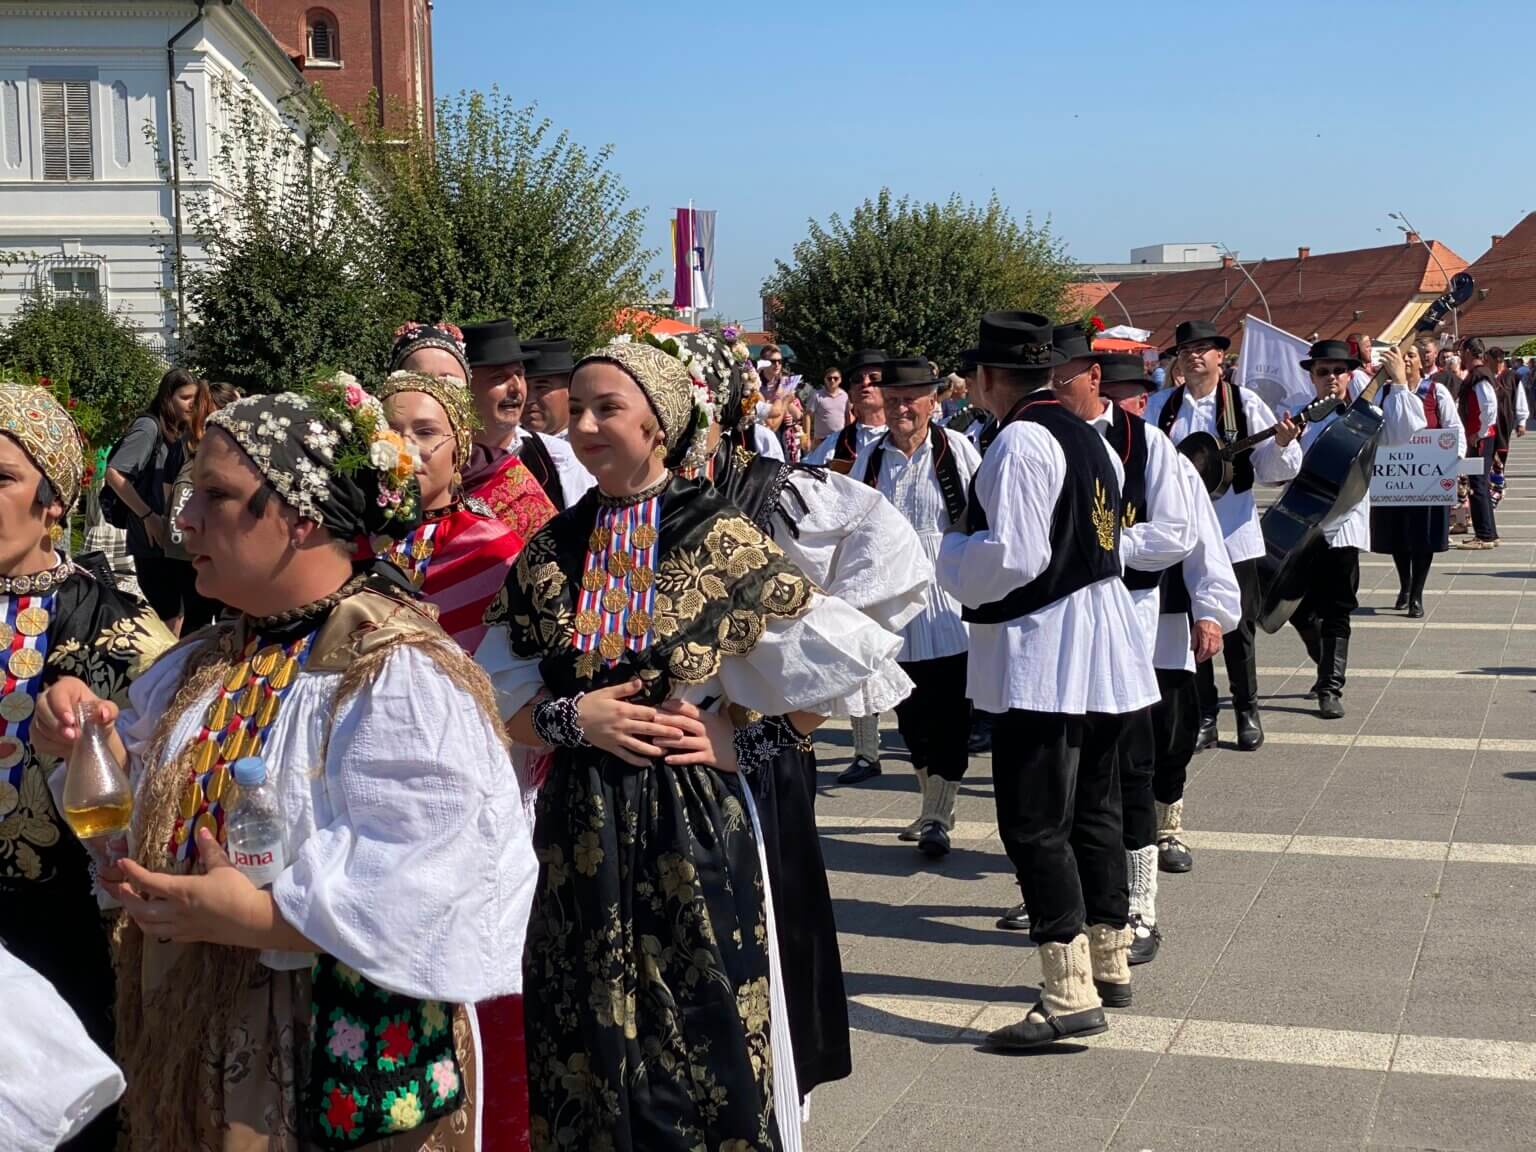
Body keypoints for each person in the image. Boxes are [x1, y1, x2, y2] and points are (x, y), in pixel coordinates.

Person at [33, 378, 538, 1151]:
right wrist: (81, 747)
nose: (185, 519)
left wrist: (261, 918)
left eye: (215, 495)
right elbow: (128, 826)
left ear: (301, 518)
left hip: (322, 1061)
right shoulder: (197, 663)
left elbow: (441, 876)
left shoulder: (393, 674)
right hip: (188, 1036)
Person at [476, 340, 906, 1149]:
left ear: (661, 421)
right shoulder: (551, 549)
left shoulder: (720, 535)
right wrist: (580, 721)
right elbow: (497, 700)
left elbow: (847, 658)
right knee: (584, 1036)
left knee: (697, 1033)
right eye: (580, 407)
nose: (588, 423)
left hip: (690, 820)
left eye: (609, 406)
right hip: (580, 831)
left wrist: (741, 737)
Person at [668, 328, 925, 1107]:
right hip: (662, 764)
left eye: (676, 413)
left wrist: (776, 729)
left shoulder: (780, 493)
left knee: (770, 933)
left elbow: (886, 584)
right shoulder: (615, 513)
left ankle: (779, 1104)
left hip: (757, 759)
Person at [939, 312, 1159, 1048]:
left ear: (990, 378)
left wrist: (951, 556)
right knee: (1093, 806)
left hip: (1047, 646)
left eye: (974, 375)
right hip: (1096, 639)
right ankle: (1110, 957)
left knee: (1035, 820)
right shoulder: (1088, 437)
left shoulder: (1022, 441)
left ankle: (1067, 991)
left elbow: (1018, 555)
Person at [0, 382, 172, 1152]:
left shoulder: (112, 619)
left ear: (52, 501)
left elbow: (179, 754)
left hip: (63, 925)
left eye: (1, 478)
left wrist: (97, 731)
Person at [1144, 319, 1302, 752]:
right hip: (1181, 536)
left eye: (1205, 348)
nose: (1196, 355)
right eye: (1187, 349)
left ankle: (1247, 710)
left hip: (1234, 533)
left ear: (1220, 357)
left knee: (1239, 629)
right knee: (1192, 626)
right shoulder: (1162, 407)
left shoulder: (1245, 402)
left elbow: (1272, 468)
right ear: (1178, 358)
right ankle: (1206, 714)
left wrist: (1284, 444)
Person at [849, 358, 982, 850]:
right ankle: (931, 804)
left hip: (946, 598)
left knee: (949, 710)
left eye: (911, 399)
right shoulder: (871, 459)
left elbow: (982, 518)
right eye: (893, 399)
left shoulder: (957, 451)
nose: (901, 407)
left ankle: (937, 815)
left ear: (932, 401)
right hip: (894, 601)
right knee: (909, 714)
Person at [389, 320, 559, 544]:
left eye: (449, 382)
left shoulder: (510, 483)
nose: (434, 393)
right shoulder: (362, 477)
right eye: (419, 380)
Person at [1286, 340, 1378, 719]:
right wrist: (1282, 445)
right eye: (1323, 372)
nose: (1331, 378)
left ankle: (1330, 687)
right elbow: (1278, 473)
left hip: (1343, 526)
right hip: (1300, 524)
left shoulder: (1366, 415)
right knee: (1291, 604)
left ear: (1350, 375)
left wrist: (1403, 385)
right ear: (1311, 376)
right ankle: (1325, 661)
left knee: (1336, 607)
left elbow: (1406, 431)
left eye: (1338, 371)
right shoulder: (1298, 417)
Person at [1370, 340, 1464, 618]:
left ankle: (1417, 594)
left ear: (1422, 361)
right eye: (1402, 356)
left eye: (1411, 355)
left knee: (1423, 537)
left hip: (1428, 479)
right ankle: (1404, 584)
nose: (1406, 360)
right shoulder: (1383, 393)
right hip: (1394, 479)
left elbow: (1453, 430)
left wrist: (1451, 464)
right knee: (1398, 536)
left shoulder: (1436, 391)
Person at [462, 319, 595, 511]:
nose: (517, 388)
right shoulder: (443, 461)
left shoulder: (559, 458)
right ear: (466, 388)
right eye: (499, 378)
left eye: (520, 374)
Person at [104, 367, 199, 630]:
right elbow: (114, 473)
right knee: (169, 615)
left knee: (180, 614)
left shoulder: (179, 430)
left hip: (170, 539)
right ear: (167, 398)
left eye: (195, 397)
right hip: (150, 538)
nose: (192, 403)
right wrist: (148, 517)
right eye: (185, 397)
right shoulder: (148, 427)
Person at [161, 380, 240, 634]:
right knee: (229, 617)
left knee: (196, 616)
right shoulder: (225, 451)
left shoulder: (187, 442)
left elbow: (167, 487)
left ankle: (189, 667)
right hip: (216, 545)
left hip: (185, 545)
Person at [805, 349, 888, 471]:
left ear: (889, 391)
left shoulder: (902, 438)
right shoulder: (835, 443)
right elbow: (805, 475)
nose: (865, 383)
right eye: (857, 379)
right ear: (850, 395)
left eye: (874, 378)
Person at [1456, 336, 1500, 549]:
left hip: (1480, 437)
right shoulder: (1478, 374)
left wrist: (1478, 433)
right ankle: (1490, 533)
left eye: (1461, 352)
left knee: (1478, 486)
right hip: (1480, 435)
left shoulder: (1480, 376)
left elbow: (1489, 406)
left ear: (1468, 352)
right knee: (1479, 484)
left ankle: (1484, 536)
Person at [521, 338, 575, 438]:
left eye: (541, 387)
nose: (529, 399)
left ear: (571, 390)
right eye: (524, 388)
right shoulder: (505, 448)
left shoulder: (588, 446)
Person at [807, 366, 851, 444]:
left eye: (835, 378)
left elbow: (847, 416)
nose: (832, 380)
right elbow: (807, 415)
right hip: (821, 440)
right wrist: (807, 437)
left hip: (839, 439)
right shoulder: (817, 395)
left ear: (840, 380)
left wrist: (848, 436)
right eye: (829, 378)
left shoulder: (844, 395)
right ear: (825, 380)